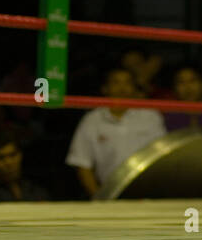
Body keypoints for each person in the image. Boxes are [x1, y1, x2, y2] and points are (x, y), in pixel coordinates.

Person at [65, 67, 166, 198]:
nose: (122, 88)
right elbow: (82, 164)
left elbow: (162, 159)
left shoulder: (150, 117)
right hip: (109, 193)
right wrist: (100, 198)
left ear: (134, 88)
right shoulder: (92, 120)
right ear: (105, 88)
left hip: (148, 193)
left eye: (127, 83)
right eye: (116, 83)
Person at [0, 129, 50, 202]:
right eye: (0, 158)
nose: (8, 163)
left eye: (13, 155)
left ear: (20, 155)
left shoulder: (35, 189)